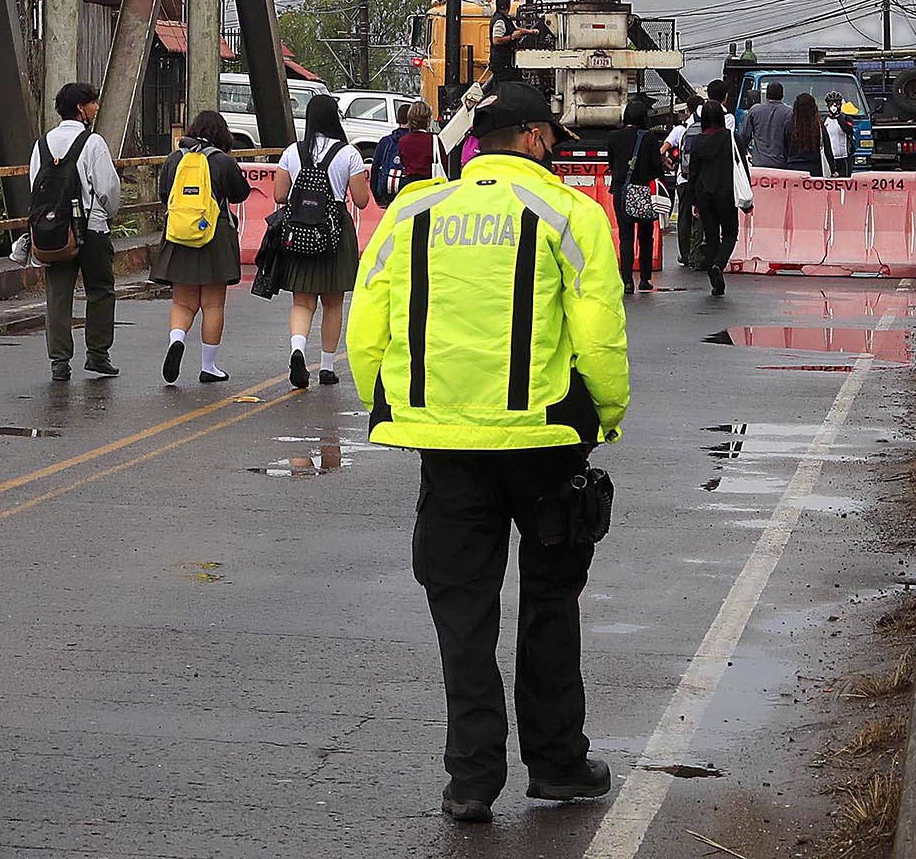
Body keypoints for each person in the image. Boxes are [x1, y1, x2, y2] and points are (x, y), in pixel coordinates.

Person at [352, 79, 630, 824]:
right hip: (543, 440)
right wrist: (604, 416)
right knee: (551, 602)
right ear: (535, 138)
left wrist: (393, 402)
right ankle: (558, 763)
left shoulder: (413, 211)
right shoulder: (569, 213)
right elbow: (599, 334)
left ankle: (471, 779)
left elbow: (366, 324)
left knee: (462, 611)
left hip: (446, 445)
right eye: (554, 137)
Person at [274, 92, 370, 389]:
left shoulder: (293, 151)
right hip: (335, 233)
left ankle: (298, 350)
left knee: (302, 301)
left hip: (299, 231)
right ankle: (327, 367)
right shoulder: (349, 154)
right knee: (333, 302)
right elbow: (362, 200)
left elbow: (279, 195)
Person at [29, 80, 122, 384]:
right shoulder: (92, 143)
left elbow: (35, 186)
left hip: (53, 231)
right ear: (81, 108)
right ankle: (97, 353)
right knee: (100, 289)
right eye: (93, 102)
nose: (96, 107)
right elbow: (108, 190)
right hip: (90, 228)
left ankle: (59, 362)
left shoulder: (42, 144)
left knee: (58, 295)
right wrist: (104, 217)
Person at [156, 109, 251, 385]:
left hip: (179, 234)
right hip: (215, 234)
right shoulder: (222, 161)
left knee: (182, 302)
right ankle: (209, 367)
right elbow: (241, 193)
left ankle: (177, 339)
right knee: (212, 304)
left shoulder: (175, 159)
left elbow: (165, 194)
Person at [686, 79, 742, 298]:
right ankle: (719, 264)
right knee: (730, 232)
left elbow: (693, 173)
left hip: (704, 194)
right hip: (726, 193)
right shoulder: (732, 138)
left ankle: (712, 268)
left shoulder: (698, 141)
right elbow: (741, 166)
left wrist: (693, 201)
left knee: (711, 236)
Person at [615, 97, 666, 293]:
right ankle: (645, 279)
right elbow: (656, 167)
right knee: (645, 236)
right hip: (645, 192)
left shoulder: (614, 137)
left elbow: (613, 164)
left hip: (622, 192)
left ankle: (627, 280)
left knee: (625, 236)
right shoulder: (649, 138)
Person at [741, 80, 795, 169]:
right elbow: (791, 139)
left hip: (759, 163)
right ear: (782, 96)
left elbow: (744, 136)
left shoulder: (755, 110)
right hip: (781, 164)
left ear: (766, 95)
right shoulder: (789, 113)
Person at [787, 92, 830, 177]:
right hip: (815, 169)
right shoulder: (818, 126)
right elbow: (827, 150)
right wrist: (832, 169)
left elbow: (784, 147)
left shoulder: (790, 125)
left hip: (793, 169)